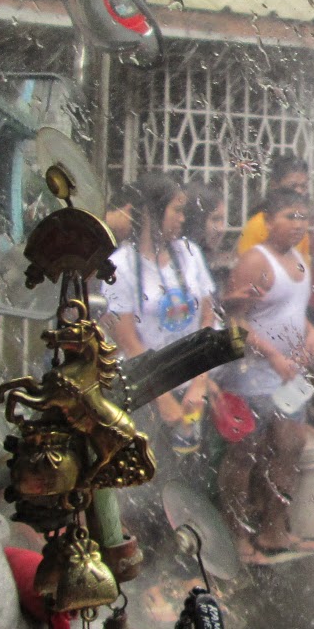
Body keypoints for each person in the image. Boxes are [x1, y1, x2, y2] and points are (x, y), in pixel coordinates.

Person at [219, 188, 314, 562]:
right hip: (251, 376)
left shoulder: (299, 261)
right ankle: (235, 538)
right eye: (290, 216)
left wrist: (312, 336)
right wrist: (274, 355)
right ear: (268, 221)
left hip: (289, 376)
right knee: (244, 455)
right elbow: (234, 322)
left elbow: (297, 312)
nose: (298, 224)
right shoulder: (254, 262)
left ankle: (275, 530)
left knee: (290, 447)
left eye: (303, 217)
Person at [101, 173, 217, 455]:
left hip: (189, 390)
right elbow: (129, 341)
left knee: (187, 475)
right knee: (144, 475)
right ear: (152, 212)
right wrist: (163, 398)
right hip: (143, 392)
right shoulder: (120, 267)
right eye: (176, 210)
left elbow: (207, 318)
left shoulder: (190, 254)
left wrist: (198, 383)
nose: (182, 218)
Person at [236, 152, 311, 261]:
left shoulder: (300, 225)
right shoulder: (258, 225)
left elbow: (303, 270)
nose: (299, 192)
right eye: (293, 186)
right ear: (274, 186)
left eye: (303, 186)